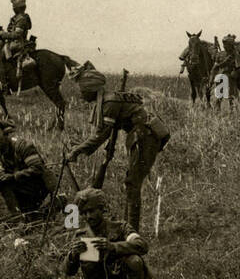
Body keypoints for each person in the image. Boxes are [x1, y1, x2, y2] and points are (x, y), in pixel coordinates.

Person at [66, 70, 170, 232]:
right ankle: (129, 227)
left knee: (132, 184)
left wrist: (77, 151)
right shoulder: (110, 99)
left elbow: (101, 136)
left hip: (145, 136)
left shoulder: (109, 103)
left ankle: (132, 231)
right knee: (131, 183)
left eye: (83, 90)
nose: (81, 94)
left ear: (92, 90)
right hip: (143, 135)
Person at [61, 187, 153, 279]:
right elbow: (68, 271)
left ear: (101, 208)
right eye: (84, 213)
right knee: (88, 262)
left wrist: (113, 247)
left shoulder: (120, 228)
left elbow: (142, 245)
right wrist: (73, 254)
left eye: (91, 211)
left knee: (135, 261)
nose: (88, 216)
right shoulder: (81, 235)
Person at [0, 118, 56, 218]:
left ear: (1, 140)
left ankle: (31, 214)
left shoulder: (22, 146)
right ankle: (19, 217)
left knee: (7, 184)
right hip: (25, 186)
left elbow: (37, 168)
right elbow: (6, 171)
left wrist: (13, 177)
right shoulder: (3, 153)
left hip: (39, 185)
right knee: (4, 184)